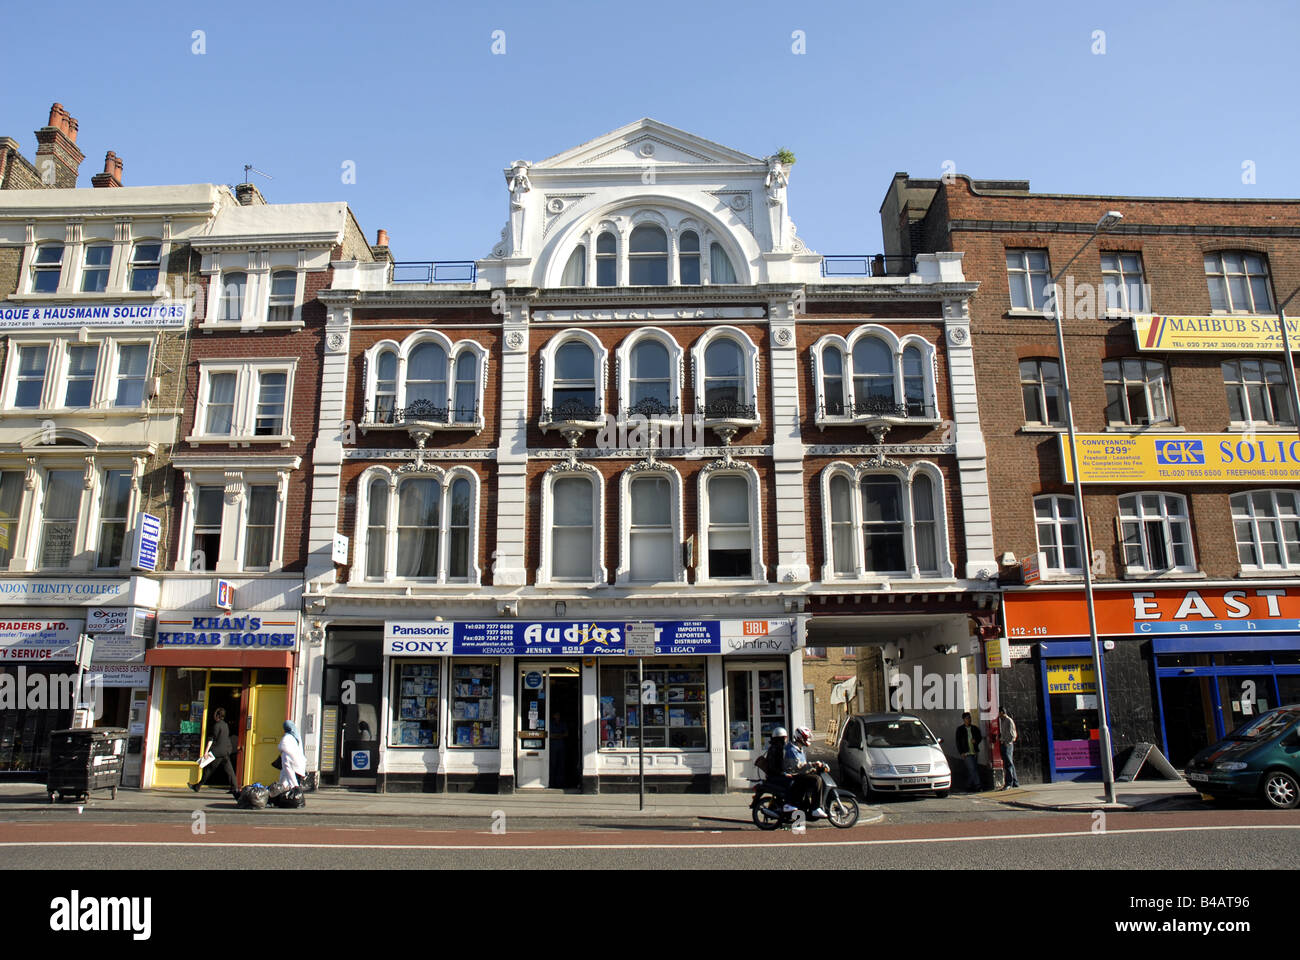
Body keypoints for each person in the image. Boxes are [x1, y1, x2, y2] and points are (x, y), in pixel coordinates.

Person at [190, 707, 239, 799]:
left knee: (209, 769)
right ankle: (235, 788)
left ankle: (197, 786)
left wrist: (206, 752)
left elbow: (211, 739)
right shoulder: (225, 725)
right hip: (226, 750)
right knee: (230, 770)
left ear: (217, 715)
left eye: (215, 714)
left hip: (218, 751)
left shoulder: (216, 726)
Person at [276, 720, 307, 796]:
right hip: (299, 764)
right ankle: (290, 792)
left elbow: (281, 747)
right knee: (287, 779)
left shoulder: (287, 737)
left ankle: (290, 791)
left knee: (288, 778)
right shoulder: (297, 737)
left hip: (290, 763)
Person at [955, 711, 983, 792]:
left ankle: (968, 785)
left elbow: (979, 737)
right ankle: (978, 786)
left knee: (973, 769)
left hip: (974, 751)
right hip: (966, 753)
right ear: (964, 719)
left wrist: (976, 741)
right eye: (967, 718)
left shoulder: (975, 728)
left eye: (970, 718)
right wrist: (961, 752)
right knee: (973, 769)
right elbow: (958, 742)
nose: (969, 719)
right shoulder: (960, 730)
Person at [998, 706, 1020, 789]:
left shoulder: (1008, 721)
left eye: (999, 713)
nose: (998, 715)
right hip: (1004, 743)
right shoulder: (1003, 721)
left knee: (1008, 764)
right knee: (1010, 763)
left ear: (1002, 712)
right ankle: (1015, 782)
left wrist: (1005, 742)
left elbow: (1012, 735)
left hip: (1008, 745)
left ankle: (1008, 783)